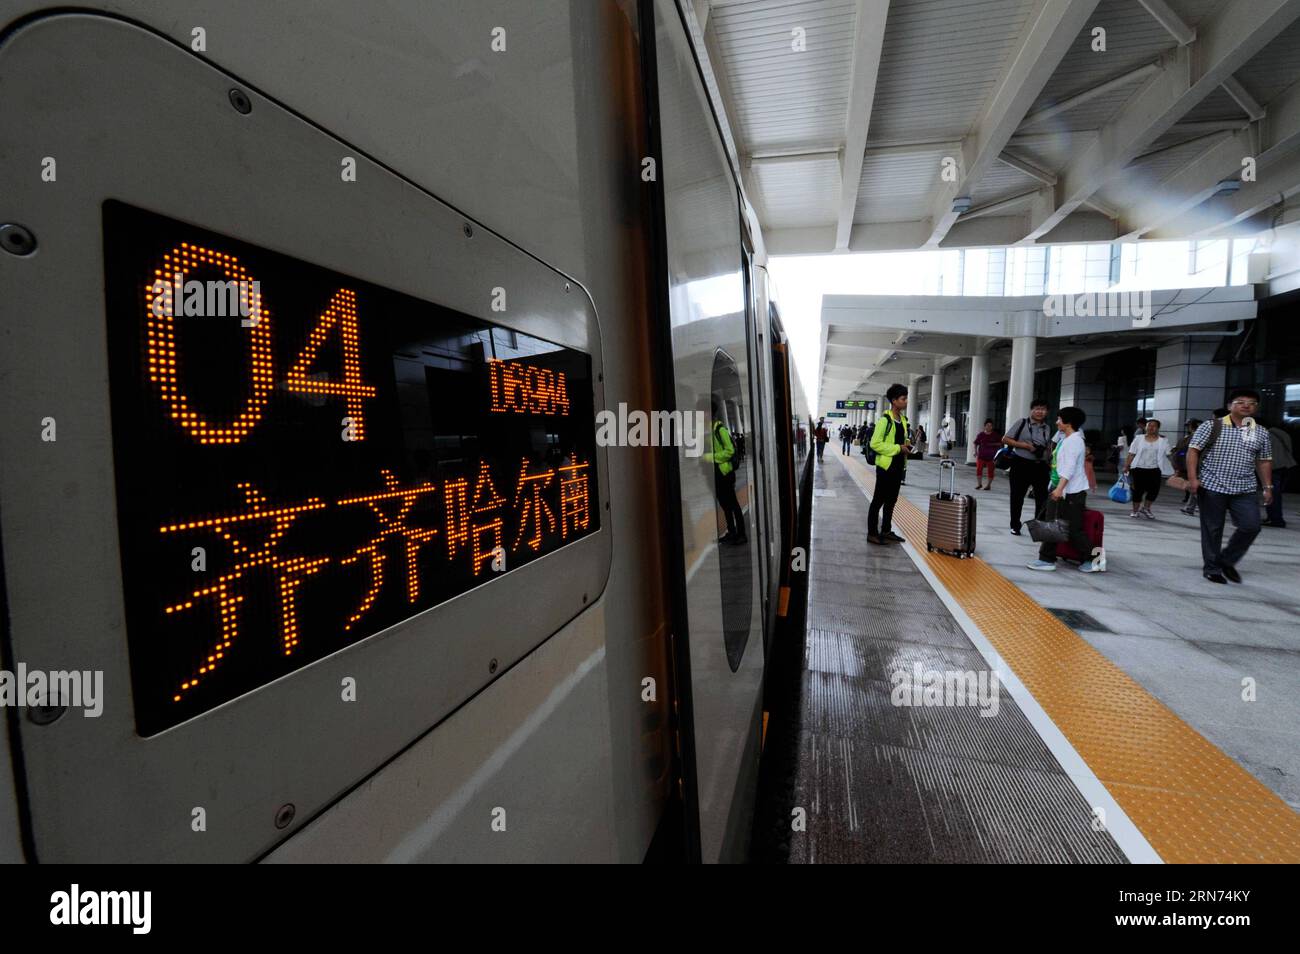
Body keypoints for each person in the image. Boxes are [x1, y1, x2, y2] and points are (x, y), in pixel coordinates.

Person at [1187, 389, 1273, 584]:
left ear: (1256, 407)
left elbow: (1264, 461)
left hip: (1245, 488)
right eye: (1240, 401)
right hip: (1212, 486)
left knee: (1251, 526)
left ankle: (1226, 560)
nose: (1246, 405)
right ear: (1229, 406)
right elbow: (1193, 451)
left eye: (1251, 403)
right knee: (1213, 529)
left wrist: (1268, 487)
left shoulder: (1260, 432)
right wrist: (1193, 478)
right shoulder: (1211, 426)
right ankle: (1212, 568)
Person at [1027, 407, 1104, 573]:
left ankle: (1094, 559)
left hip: (1070, 492)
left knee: (1072, 528)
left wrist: (1059, 489)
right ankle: (1046, 558)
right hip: (1061, 489)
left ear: (1068, 423)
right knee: (1053, 525)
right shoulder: (1065, 439)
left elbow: (1068, 469)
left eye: (1059, 419)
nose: (1057, 422)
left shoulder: (1074, 441)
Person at [867, 383, 911, 546]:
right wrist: (898, 448)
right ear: (894, 400)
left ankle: (886, 530)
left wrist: (907, 446)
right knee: (878, 500)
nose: (906, 401)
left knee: (891, 500)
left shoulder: (903, 420)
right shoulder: (885, 420)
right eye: (903, 398)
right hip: (886, 467)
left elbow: (901, 440)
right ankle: (872, 533)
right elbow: (875, 444)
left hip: (899, 466)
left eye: (906, 398)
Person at [1002, 399, 1053, 536]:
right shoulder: (1022, 423)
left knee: (1042, 498)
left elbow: (1048, 446)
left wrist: (1048, 456)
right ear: (1031, 410)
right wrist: (1025, 446)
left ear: (1047, 412)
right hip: (1021, 464)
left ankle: (1039, 527)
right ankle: (1015, 525)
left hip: (1041, 466)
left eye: (1043, 409)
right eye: (1037, 408)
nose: (1039, 412)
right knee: (1017, 497)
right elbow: (1005, 439)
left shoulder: (1047, 428)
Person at [708, 397, 747, 545]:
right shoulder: (709, 431)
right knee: (725, 505)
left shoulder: (720, 429)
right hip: (716, 475)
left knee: (733, 504)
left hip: (725, 474)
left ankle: (741, 534)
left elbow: (730, 451)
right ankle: (731, 532)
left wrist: (711, 457)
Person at [1124, 418, 1173, 519]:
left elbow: (1169, 454)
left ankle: (1146, 508)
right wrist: (1126, 466)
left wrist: (1176, 466)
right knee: (1138, 490)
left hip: (1155, 469)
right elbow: (1131, 453)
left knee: (1154, 491)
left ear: (1158, 428)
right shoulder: (1138, 438)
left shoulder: (1163, 440)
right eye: (1149, 425)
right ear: (1145, 427)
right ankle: (1135, 511)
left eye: (1154, 426)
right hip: (1138, 468)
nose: (1151, 427)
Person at [1264, 421, 1294, 528]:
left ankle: (1276, 519)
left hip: (1273, 467)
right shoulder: (1282, 434)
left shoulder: (1267, 435)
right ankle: (1273, 518)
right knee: (1274, 493)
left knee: (1271, 494)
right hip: (1285, 465)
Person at [1173, 418, 1202, 515]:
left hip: (1193, 465)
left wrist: (1178, 454)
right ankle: (1190, 508)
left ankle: (1197, 506)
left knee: (1195, 488)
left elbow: (1182, 451)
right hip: (1194, 465)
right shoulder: (1194, 437)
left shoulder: (1192, 438)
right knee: (1194, 487)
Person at [973, 419, 1000, 490]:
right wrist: (975, 452)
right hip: (981, 456)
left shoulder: (995, 435)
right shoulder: (981, 435)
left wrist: (991, 444)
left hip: (992, 457)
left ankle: (988, 485)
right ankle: (979, 484)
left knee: (990, 471)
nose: (989, 427)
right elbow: (976, 443)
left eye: (991, 426)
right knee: (979, 470)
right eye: (987, 425)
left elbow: (1000, 444)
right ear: (984, 426)